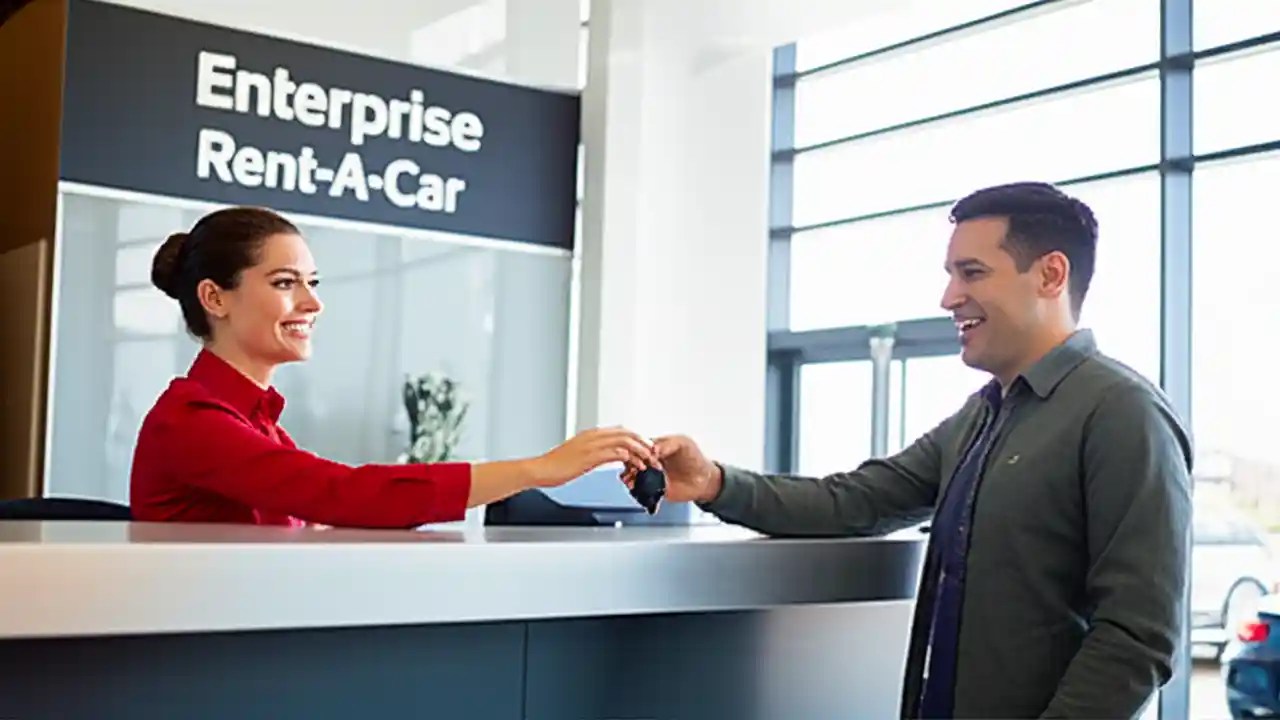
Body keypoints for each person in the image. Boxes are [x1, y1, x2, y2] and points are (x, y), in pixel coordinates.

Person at [636, 182, 1193, 719]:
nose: (949, 298)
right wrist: (712, 482)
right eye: (951, 275)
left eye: (971, 273)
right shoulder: (981, 416)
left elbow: (1137, 635)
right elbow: (853, 502)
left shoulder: (1122, 412)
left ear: (1050, 274)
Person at [131, 206, 655, 529]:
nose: (312, 304)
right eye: (286, 283)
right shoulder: (192, 420)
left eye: (314, 283)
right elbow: (342, 493)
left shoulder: (256, 422)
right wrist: (538, 470)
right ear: (214, 298)